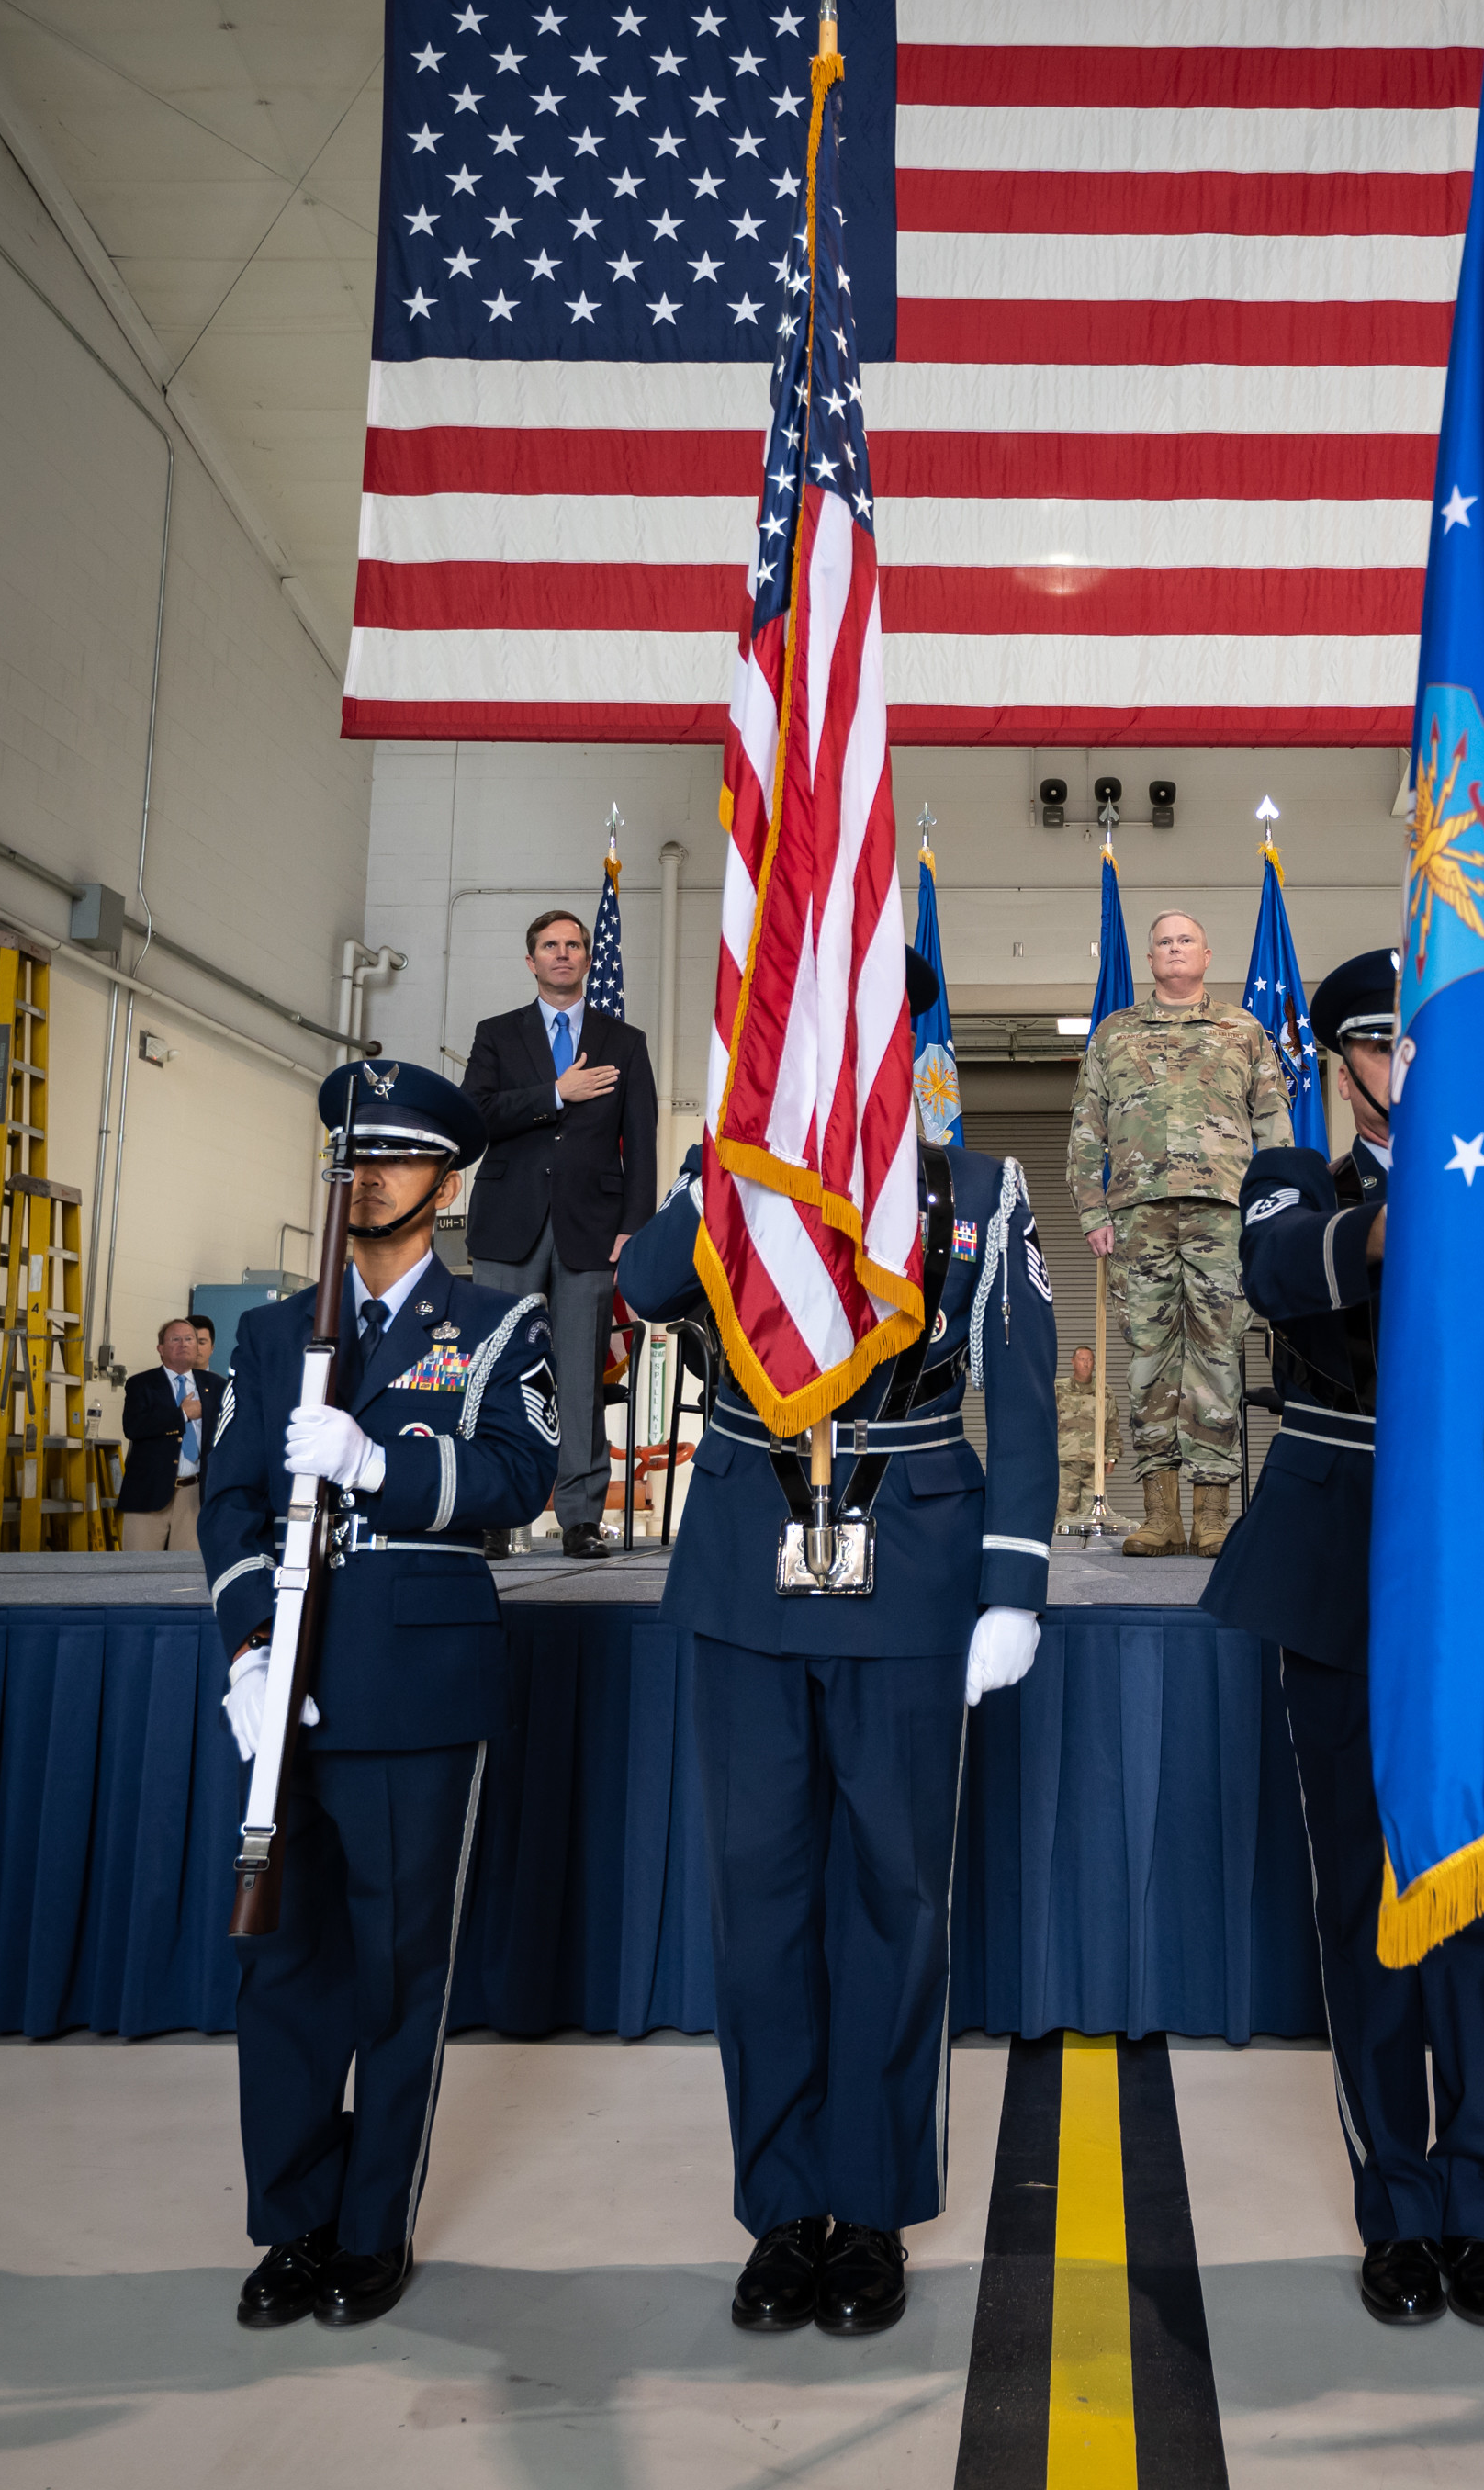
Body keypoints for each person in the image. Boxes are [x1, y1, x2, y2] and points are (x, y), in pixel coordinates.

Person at [616, 947, 1056, 2341]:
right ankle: (780, 2208)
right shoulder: (737, 1174)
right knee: (761, 1909)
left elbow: (1028, 1388)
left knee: (894, 1902)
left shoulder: (972, 1190)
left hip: (915, 1568)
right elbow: (638, 1281)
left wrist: (1014, 1584)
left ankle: (866, 2207)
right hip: (751, 1563)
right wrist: (726, 1172)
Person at [1201, 949, 1484, 2333]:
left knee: (1482, 1900)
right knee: (1362, 1900)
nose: (1414, 1067)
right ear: (1344, 1058)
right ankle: (1395, 2204)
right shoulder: (1300, 1175)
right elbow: (1278, 1276)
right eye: (1390, 1046)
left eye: (1437, 1041)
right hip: (1340, 1550)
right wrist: (1422, 1212)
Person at [199, 1061, 559, 2333]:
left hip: (413, 1683)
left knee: (400, 1969)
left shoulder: (498, 1323)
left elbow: (523, 1473)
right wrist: (249, 1647)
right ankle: (291, 2223)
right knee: (282, 1967)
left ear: (445, 1182)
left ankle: (371, 2228)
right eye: (355, 1158)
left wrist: (382, 1464)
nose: (371, 1179)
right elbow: (231, 1503)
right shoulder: (270, 1331)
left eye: (399, 1159)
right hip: (285, 1694)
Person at [1067, 908, 1291, 1559]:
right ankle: (1161, 1516)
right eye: (1163, 941)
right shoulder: (1116, 1033)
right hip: (1138, 1216)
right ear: (1150, 957)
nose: (1174, 949)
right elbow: (1086, 1128)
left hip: (1225, 1215)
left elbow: (1273, 1122)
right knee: (1149, 1364)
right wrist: (1091, 1212)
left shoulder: (1243, 1030)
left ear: (1206, 954)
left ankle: (1214, 1515)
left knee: (1218, 1359)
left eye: (1185, 939)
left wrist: (1277, 1211)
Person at [461, 907, 658, 1559]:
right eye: (551, 945)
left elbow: (644, 1140)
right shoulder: (496, 1034)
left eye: (575, 944)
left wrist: (636, 1225)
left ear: (587, 957)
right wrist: (556, 1090)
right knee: (493, 1371)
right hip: (506, 1225)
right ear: (531, 960)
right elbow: (476, 1118)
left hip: (593, 1231)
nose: (564, 954)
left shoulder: (624, 1041)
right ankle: (489, 1512)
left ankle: (579, 1518)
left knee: (579, 1380)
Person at [117, 1316, 210, 1549]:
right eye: (175, 1339)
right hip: (149, 1492)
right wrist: (182, 1415)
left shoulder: (214, 1386)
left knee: (186, 1573)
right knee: (139, 1570)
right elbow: (134, 1427)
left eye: (189, 1339)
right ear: (161, 1348)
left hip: (195, 1495)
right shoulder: (142, 1384)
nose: (184, 1344)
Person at [1054, 1343, 1121, 1523]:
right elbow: (1044, 1424)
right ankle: (1065, 1550)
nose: (1086, 1364)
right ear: (1072, 1362)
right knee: (1065, 1515)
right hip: (1065, 1462)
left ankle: (1089, 1550)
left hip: (1094, 1463)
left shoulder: (1104, 1391)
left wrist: (1113, 1456)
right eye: (1081, 1360)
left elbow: (1113, 1425)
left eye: (1090, 1360)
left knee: (1093, 1515)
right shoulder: (1058, 1389)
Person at [188, 1314, 229, 1446]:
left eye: (202, 1342)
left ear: (212, 1348)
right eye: (191, 1341)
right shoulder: (165, 1384)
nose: (197, 1348)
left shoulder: (223, 1389)